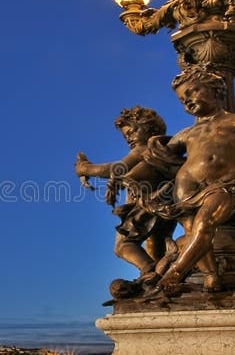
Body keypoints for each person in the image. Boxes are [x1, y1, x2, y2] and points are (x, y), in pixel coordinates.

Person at [147, 67, 235, 292]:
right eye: (182, 99)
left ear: (216, 89)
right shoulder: (186, 133)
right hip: (185, 185)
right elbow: (157, 158)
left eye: (192, 92)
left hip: (226, 185)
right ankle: (211, 275)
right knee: (191, 231)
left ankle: (175, 273)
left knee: (204, 224)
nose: (187, 100)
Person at [75, 106, 178, 277]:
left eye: (132, 132)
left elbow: (116, 169)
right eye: (125, 136)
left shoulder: (143, 149)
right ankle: (161, 274)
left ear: (150, 129)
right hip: (167, 203)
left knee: (123, 245)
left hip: (146, 206)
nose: (129, 138)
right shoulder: (163, 150)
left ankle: (148, 270)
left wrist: (84, 168)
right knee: (157, 245)